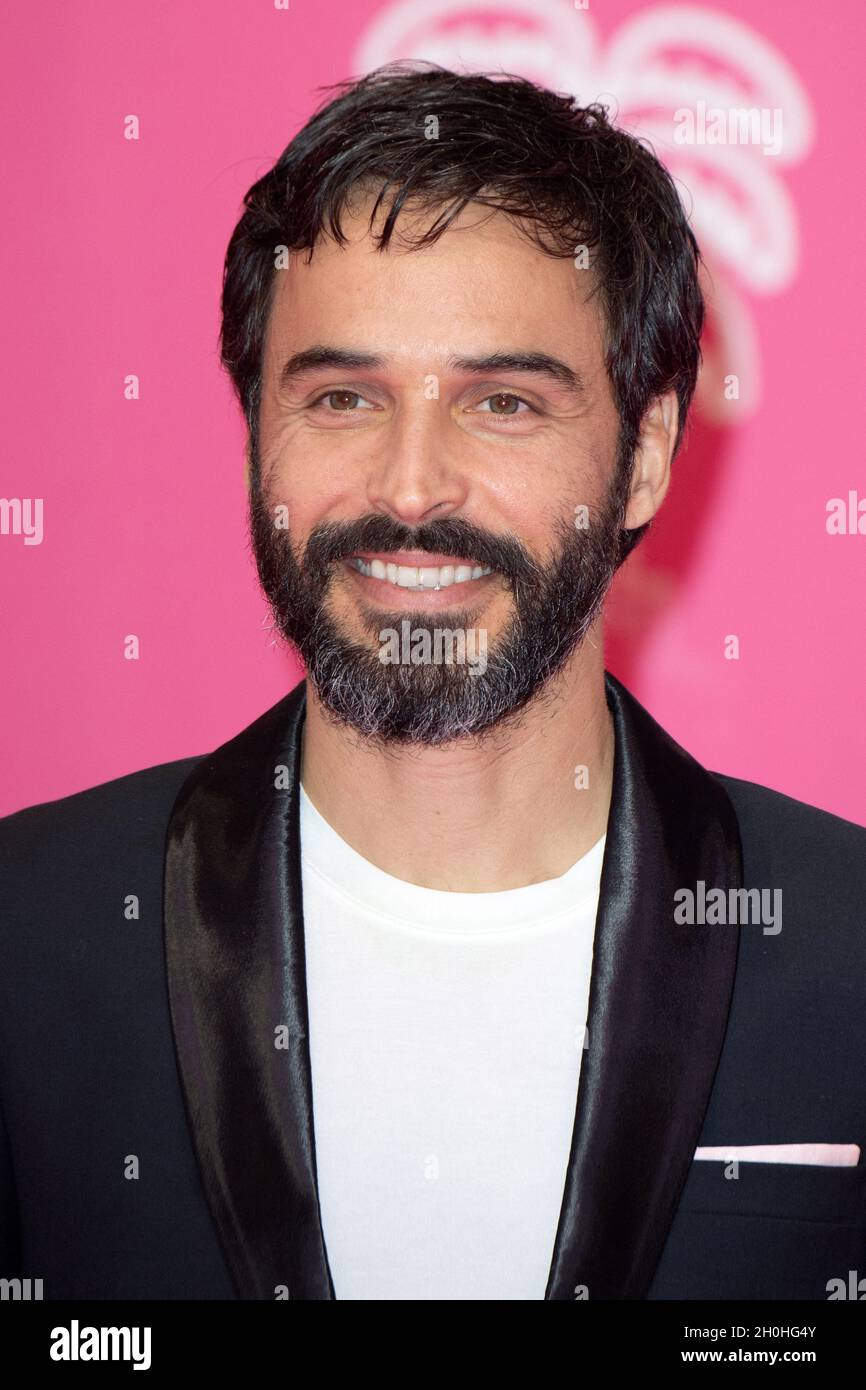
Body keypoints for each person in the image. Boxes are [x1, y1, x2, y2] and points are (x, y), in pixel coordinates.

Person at [1, 62, 864, 1302]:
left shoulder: (844, 943)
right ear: (255, 430)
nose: (410, 489)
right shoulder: (30, 935)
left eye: (502, 403)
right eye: (342, 397)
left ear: (643, 455)